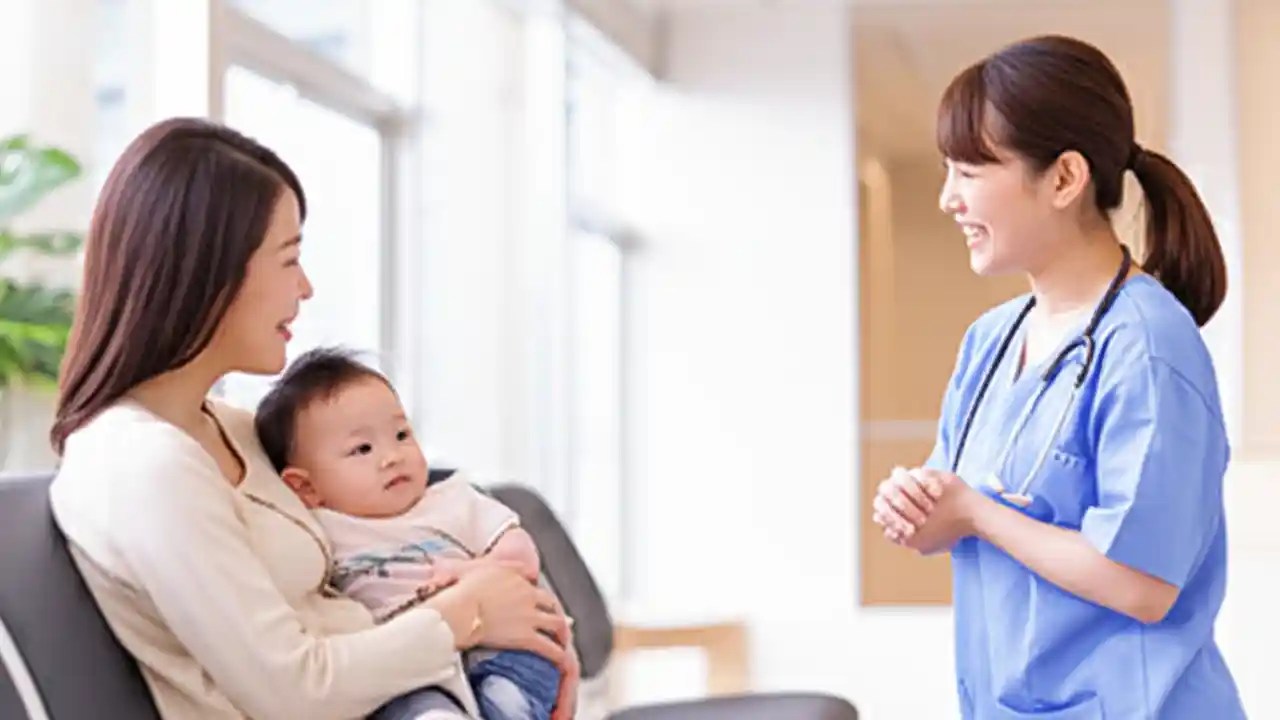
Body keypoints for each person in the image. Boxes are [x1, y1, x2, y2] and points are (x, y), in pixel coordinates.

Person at [48, 117, 579, 720]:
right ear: (209, 271)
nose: (305, 288)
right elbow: (295, 690)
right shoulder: (144, 464)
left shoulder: (235, 430)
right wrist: (469, 613)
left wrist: (530, 635)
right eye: (288, 260)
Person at [871, 35, 1246, 719]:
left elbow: (1143, 581)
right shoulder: (990, 341)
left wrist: (976, 513)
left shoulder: (1148, 346)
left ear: (1065, 179)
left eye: (970, 171)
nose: (948, 199)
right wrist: (916, 509)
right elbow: (948, 512)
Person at [253, 346, 560, 720]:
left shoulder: (454, 498)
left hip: (500, 650)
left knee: (507, 700)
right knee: (413, 709)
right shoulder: (319, 532)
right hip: (411, 669)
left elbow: (523, 556)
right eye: (362, 448)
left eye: (401, 434)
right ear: (306, 488)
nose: (392, 456)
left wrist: (473, 573)